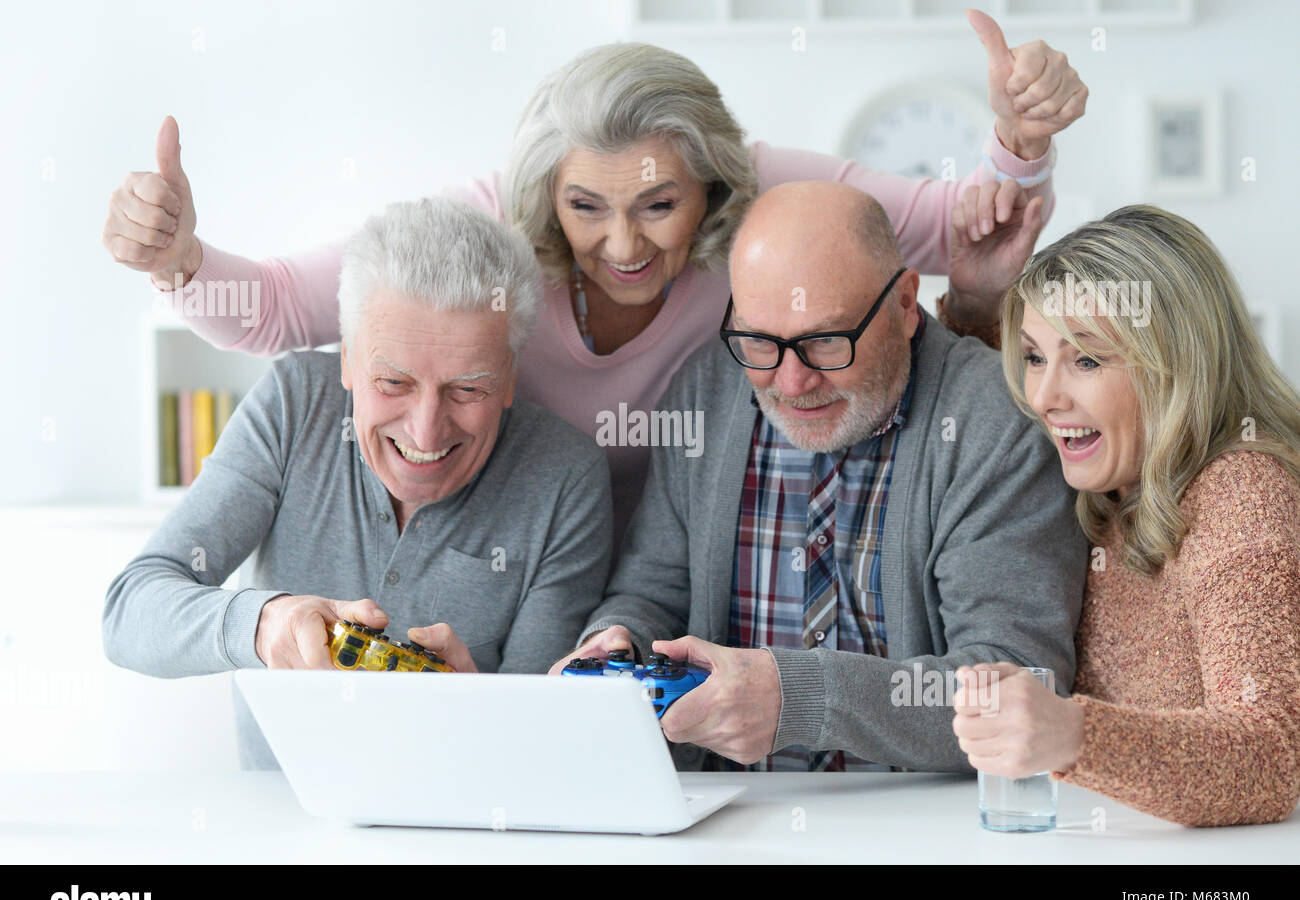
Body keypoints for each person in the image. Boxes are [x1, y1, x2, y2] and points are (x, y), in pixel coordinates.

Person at [101, 13, 1088, 540]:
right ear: (545, 194)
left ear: (710, 184)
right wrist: (178, 259)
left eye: (659, 205)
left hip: (686, 562)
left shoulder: (758, 191)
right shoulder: (488, 223)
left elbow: (958, 227)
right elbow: (276, 308)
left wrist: (1019, 141)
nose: (622, 245)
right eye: (586, 209)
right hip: (520, 554)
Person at [552, 180, 1087, 774]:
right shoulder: (705, 394)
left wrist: (801, 698)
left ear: (906, 304)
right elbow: (653, 592)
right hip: (725, 816)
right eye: (759, 342)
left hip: (920, 828)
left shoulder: (994, 422)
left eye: (826, 342)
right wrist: (616, 641)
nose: (790, 383)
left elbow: (1013, 685)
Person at [103, 197, 613, 770]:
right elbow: (129, 612)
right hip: (282, 827)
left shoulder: (566, 478)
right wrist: (263, 623)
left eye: (468, 390)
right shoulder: (295, 404)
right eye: (392, 382)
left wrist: (475, 699)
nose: (425, 430)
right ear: (346, 362)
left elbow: (542, 747)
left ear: (511, 380)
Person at [948, 204, 1300, 826]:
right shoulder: (1112, 481)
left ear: (1178, 364)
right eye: (1033, 357)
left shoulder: (1243, 491)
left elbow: (1273, 756)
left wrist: (1074, 735)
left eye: (1086, 359)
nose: (1044, 398)